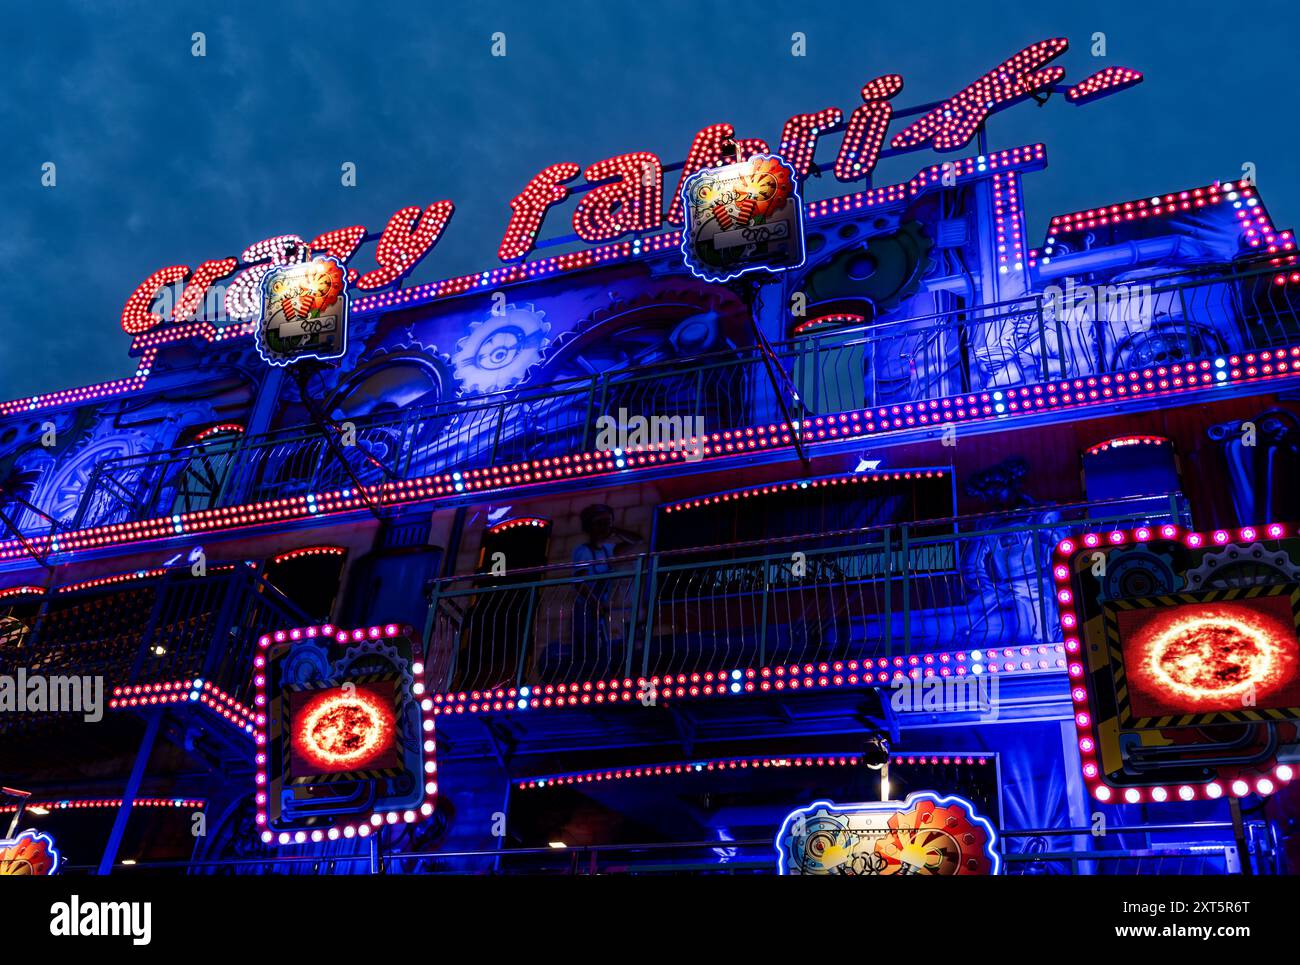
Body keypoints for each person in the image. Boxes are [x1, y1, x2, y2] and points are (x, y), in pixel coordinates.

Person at [571, 504, 642, 674]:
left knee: (603, 643)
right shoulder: (583, 551)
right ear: (589, 527)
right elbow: (580, 582)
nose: (604, 527)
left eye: (607, 522)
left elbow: (636, 541)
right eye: (600, 523)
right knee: (590, 647)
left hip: (600, 607)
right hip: (586, 608)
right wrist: (596, 603)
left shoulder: (607, 549)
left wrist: (615, 531)